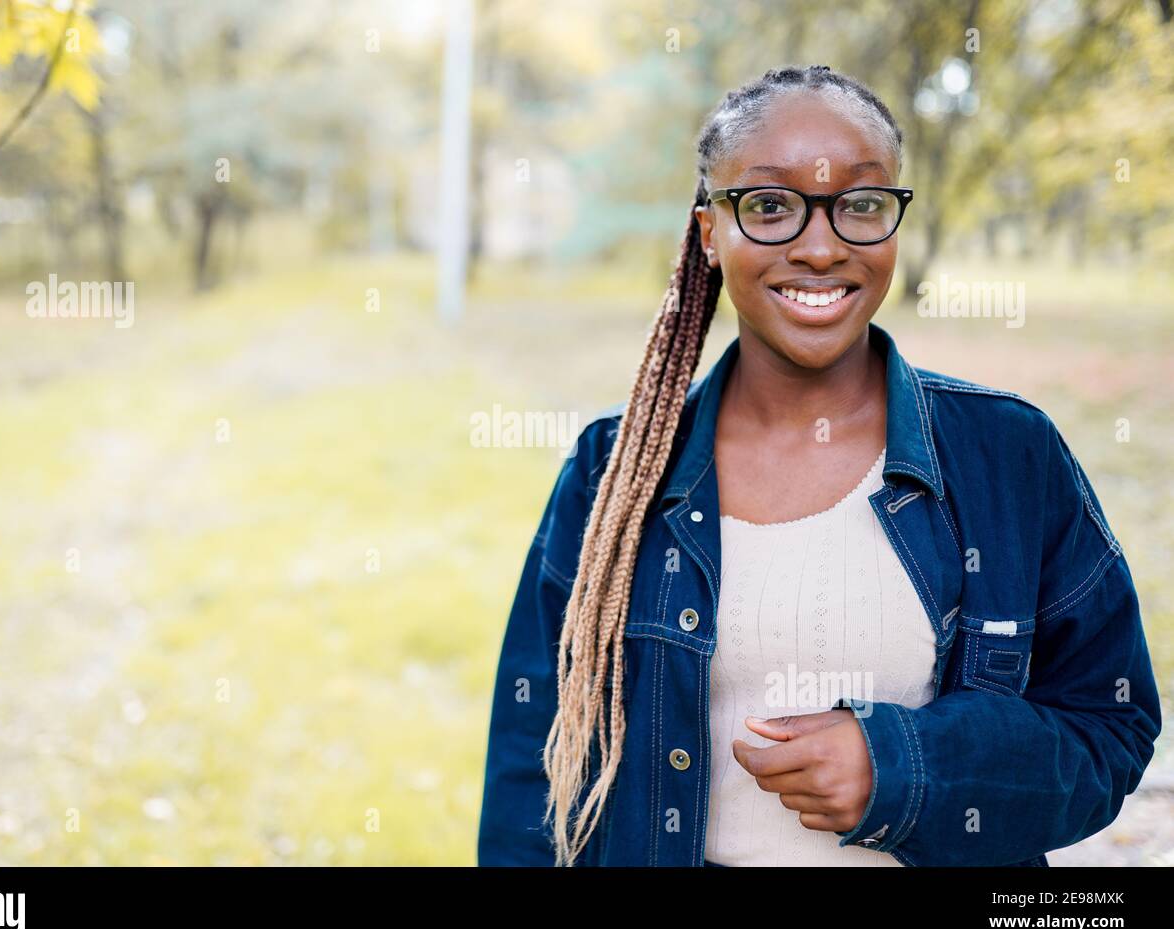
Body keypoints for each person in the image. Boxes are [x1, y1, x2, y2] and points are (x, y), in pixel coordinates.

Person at [476, 65, 1162, 867]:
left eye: (861, 205)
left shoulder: (1008, 455)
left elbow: (1107, 727)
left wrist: (903, 768)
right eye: (769, 206)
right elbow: (534, 771)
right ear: (708, 232)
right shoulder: (616, 472)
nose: (821, 245)